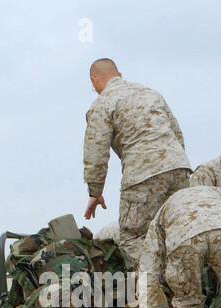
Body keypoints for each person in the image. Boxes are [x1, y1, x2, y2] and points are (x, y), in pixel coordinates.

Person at [82, 58, 191, 276]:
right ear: (119, 74)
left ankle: (153, 294)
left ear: (94, 79)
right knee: (176, 231)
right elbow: (177, 133)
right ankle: (184, 289)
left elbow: (96, 152)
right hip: (179, 167)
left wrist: (95, 191)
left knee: (133, 236)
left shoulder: (103, 104)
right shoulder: (150, 93)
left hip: (143, 173)